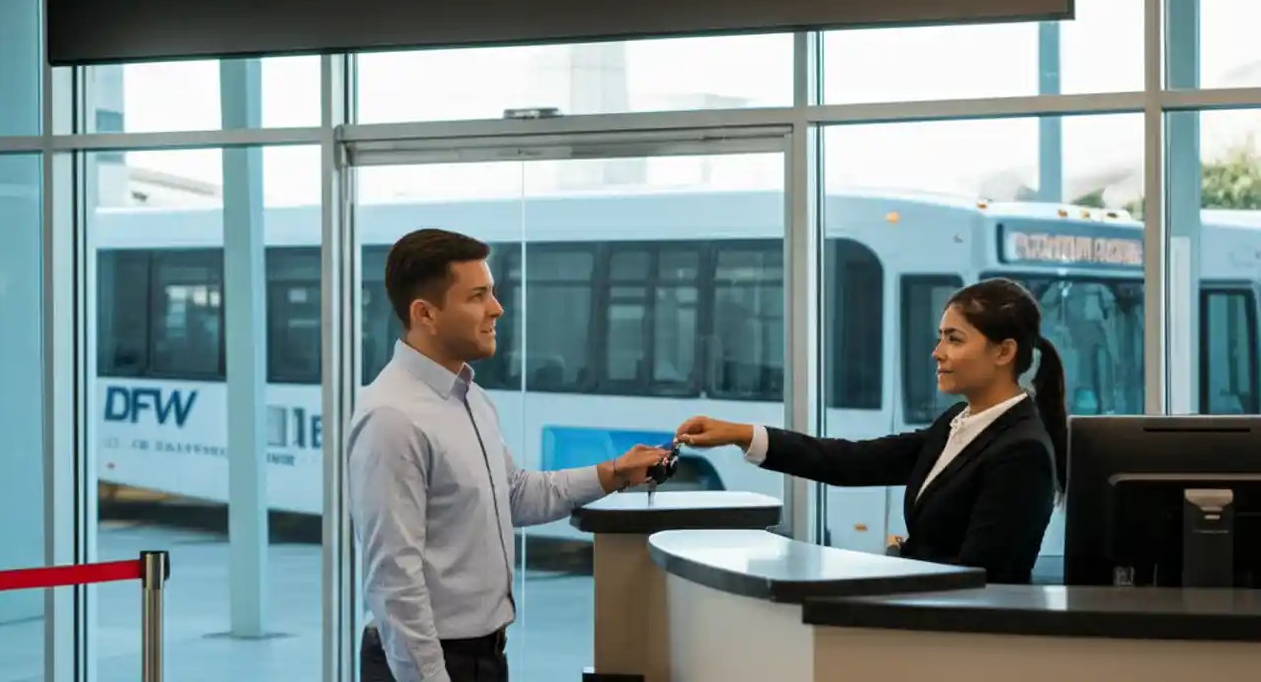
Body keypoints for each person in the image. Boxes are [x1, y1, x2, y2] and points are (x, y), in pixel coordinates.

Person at [348, 228, 669, 682]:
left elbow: (514, 494)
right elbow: (393, 581)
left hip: (485, 657)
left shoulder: (469, 397)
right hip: (429, 665)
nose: (497, 308)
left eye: (492, 293)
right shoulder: (392, 417)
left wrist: (614, 473)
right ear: (426, 314)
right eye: (478, 296)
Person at [676, 277, 1066, 584]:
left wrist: (901, 559)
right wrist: (742, 433)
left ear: (1004, 352)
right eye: (940, 337)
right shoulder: (957, 422)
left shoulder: (1021, 450)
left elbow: (984, 576)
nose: (937, 352)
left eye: (954, 339)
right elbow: (853, 462)